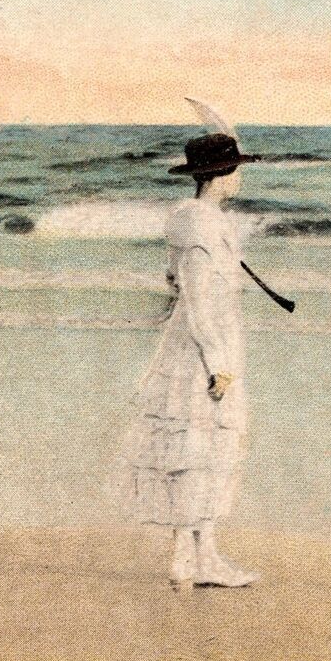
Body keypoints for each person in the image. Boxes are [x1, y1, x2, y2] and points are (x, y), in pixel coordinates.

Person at [125, 132, 262, 588]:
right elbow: (200, 301)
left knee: (202, 453)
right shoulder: (201, 226)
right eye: (237, 167)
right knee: (203, 451)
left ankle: (195, 558)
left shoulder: (198, 221)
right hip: (203, 350)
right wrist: (218, 362)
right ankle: (195, 560)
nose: (241, 176)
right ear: (224, 174)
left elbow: (173, 283)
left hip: (197, 343)